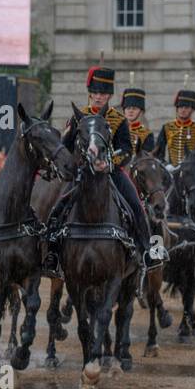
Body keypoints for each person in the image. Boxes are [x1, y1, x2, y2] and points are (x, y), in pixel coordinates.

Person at [56, 66, 163, 287]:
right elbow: (65, 148)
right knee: (57, 205)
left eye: (103, 94)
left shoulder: (118, 119)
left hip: (111, 174)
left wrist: (109, 163)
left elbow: (126, 149)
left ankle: (147, 250)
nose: (98, 97)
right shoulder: (77, 117)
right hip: (81, 176)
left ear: (109, 96)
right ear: (89, 93)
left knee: (136, 205)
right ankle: (51, 251)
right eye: (95, 93)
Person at [121, 85, 153, 158]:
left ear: (141, 112)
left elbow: (147, 156)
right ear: (124, 111)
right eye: (128, 108)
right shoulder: (118, 131)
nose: (131, 111)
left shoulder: (147, 134)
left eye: (134, 108)